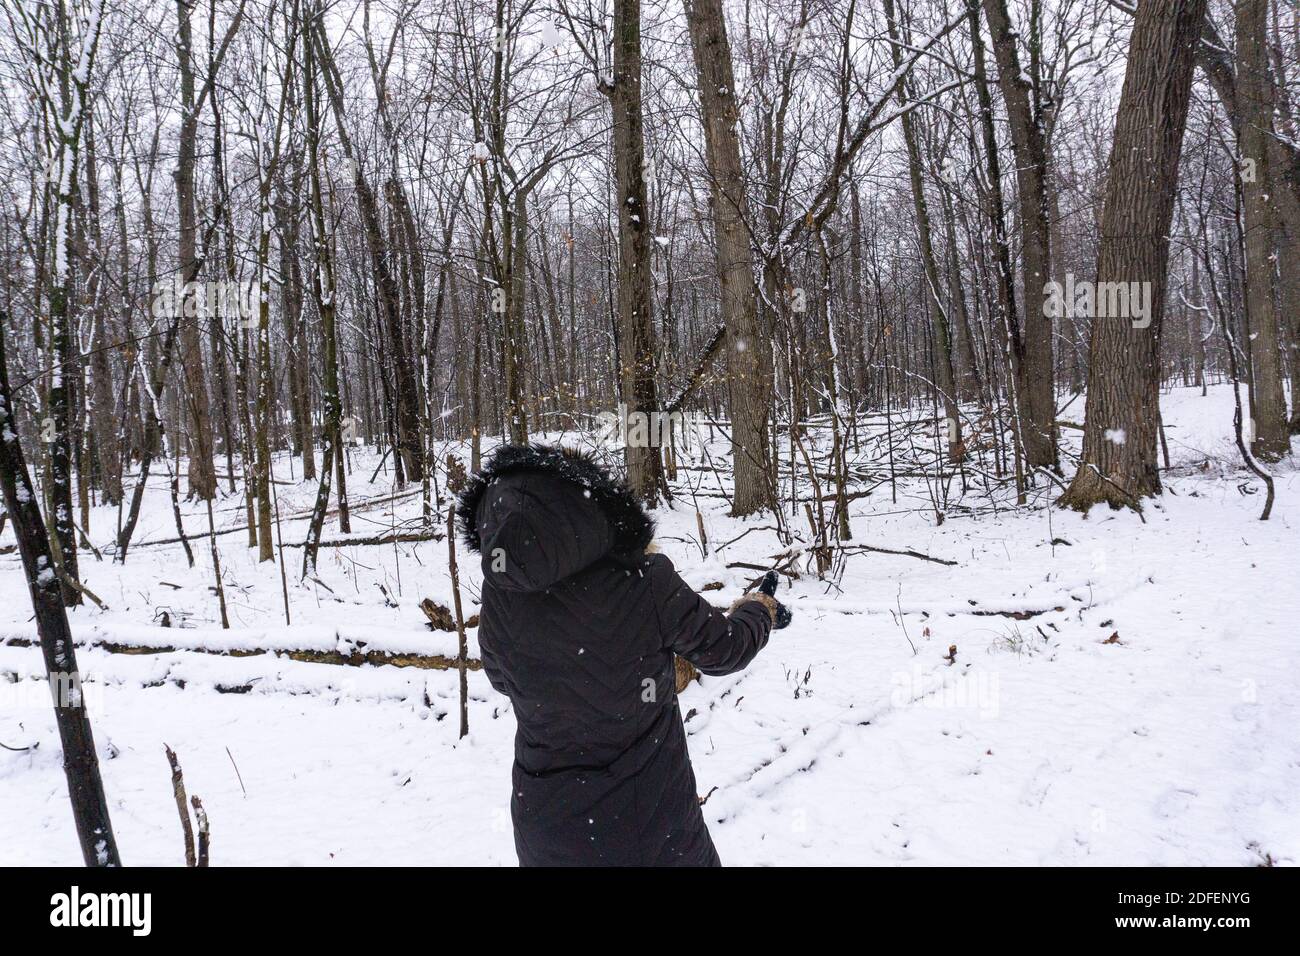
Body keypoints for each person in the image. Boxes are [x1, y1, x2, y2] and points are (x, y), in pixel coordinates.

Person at [457, 443, 792, 866]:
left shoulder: (501, 595)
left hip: (546, 831)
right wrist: (758, 610)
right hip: (650, 829)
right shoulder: (644, 581)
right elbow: (725, 650)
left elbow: (502, 679)